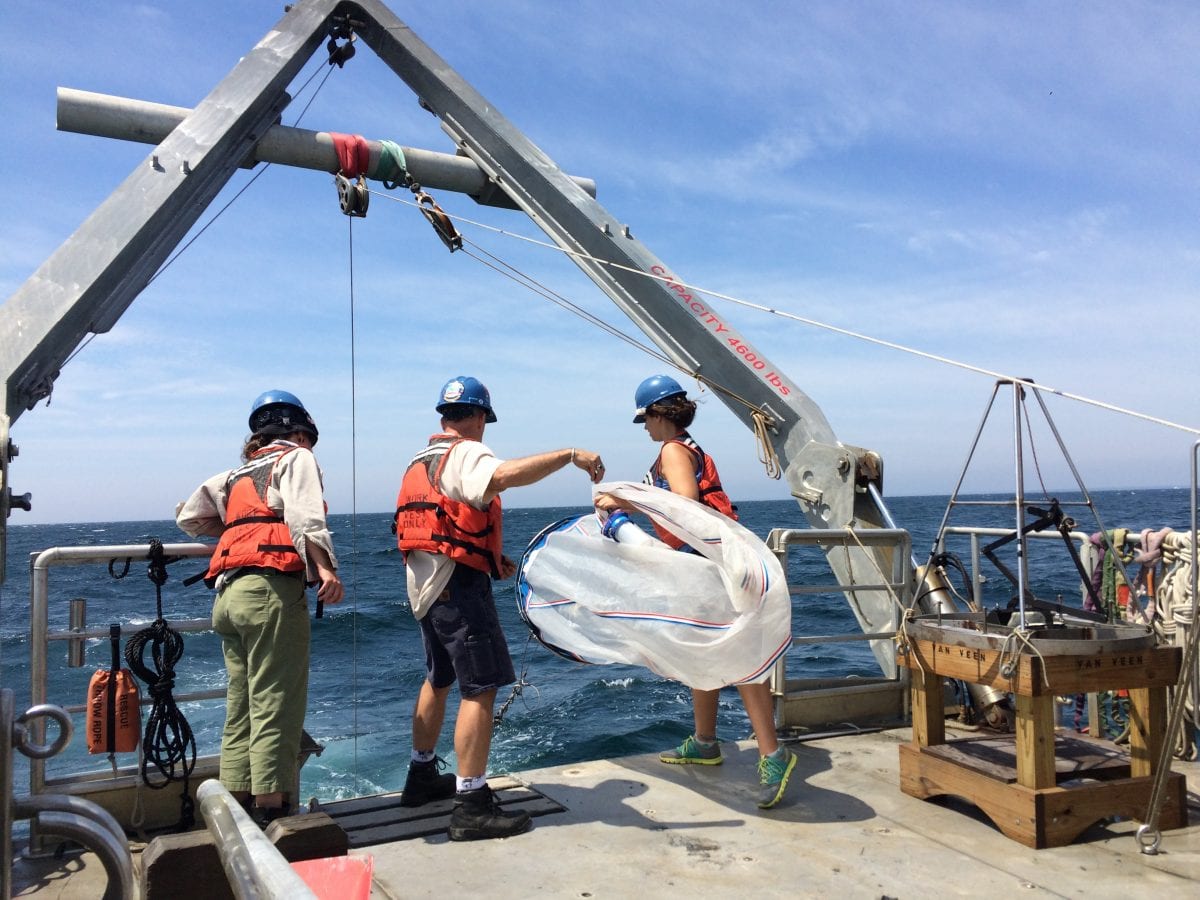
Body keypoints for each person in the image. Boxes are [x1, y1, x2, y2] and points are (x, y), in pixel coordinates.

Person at [393, 375, 604, 841]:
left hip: (426, 589)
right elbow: (502, 476)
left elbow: (439, 523)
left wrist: (490, 558)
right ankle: (471, 804)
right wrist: (569, 455)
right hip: (458, 589)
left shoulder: (421, 458)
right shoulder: (466, 451)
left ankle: (421, 777)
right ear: (479, 417)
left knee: (439, 679)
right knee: (480, 689)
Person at [596, 374, 798, 810]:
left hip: (707, 568)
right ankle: (706, 741)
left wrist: (623, 502)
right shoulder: (689, 449)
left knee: (740, 658)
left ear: (658, 414)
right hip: (704, 565)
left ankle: (773, 754)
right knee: (702, 651)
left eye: (645, 419)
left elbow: (683, 503)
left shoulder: (671, 450)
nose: (644, 428)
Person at [176, 390, 344, 825]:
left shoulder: (233, 476)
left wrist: (241, 526)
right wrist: (325, 570)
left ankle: (234, 804)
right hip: (269, 592)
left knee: (242, 702)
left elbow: (189, 519)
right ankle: (271, 809)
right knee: (275, 699)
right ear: (301, 432)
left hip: (227, 596)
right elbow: (306, 519)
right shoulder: (296, 459)